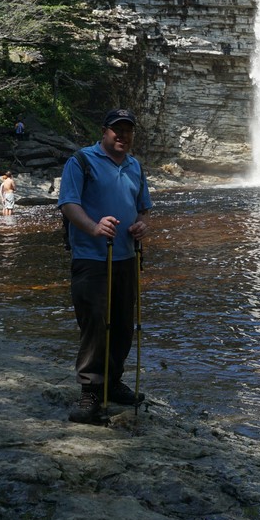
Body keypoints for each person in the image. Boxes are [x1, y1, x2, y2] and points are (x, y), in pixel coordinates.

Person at [59, 108, 153, 424]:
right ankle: (90, 391)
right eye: (117, 129)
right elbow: (68, 204)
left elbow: (143, 209)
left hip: (127, 257)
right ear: (104, 131)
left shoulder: (135, 166)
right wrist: (94, 227)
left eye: (128, 130)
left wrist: (141, 225)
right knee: (95, 324)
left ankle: (112, 383)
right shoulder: (81, 161)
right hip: (91, 258)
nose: (122, 135)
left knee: (123, 325)